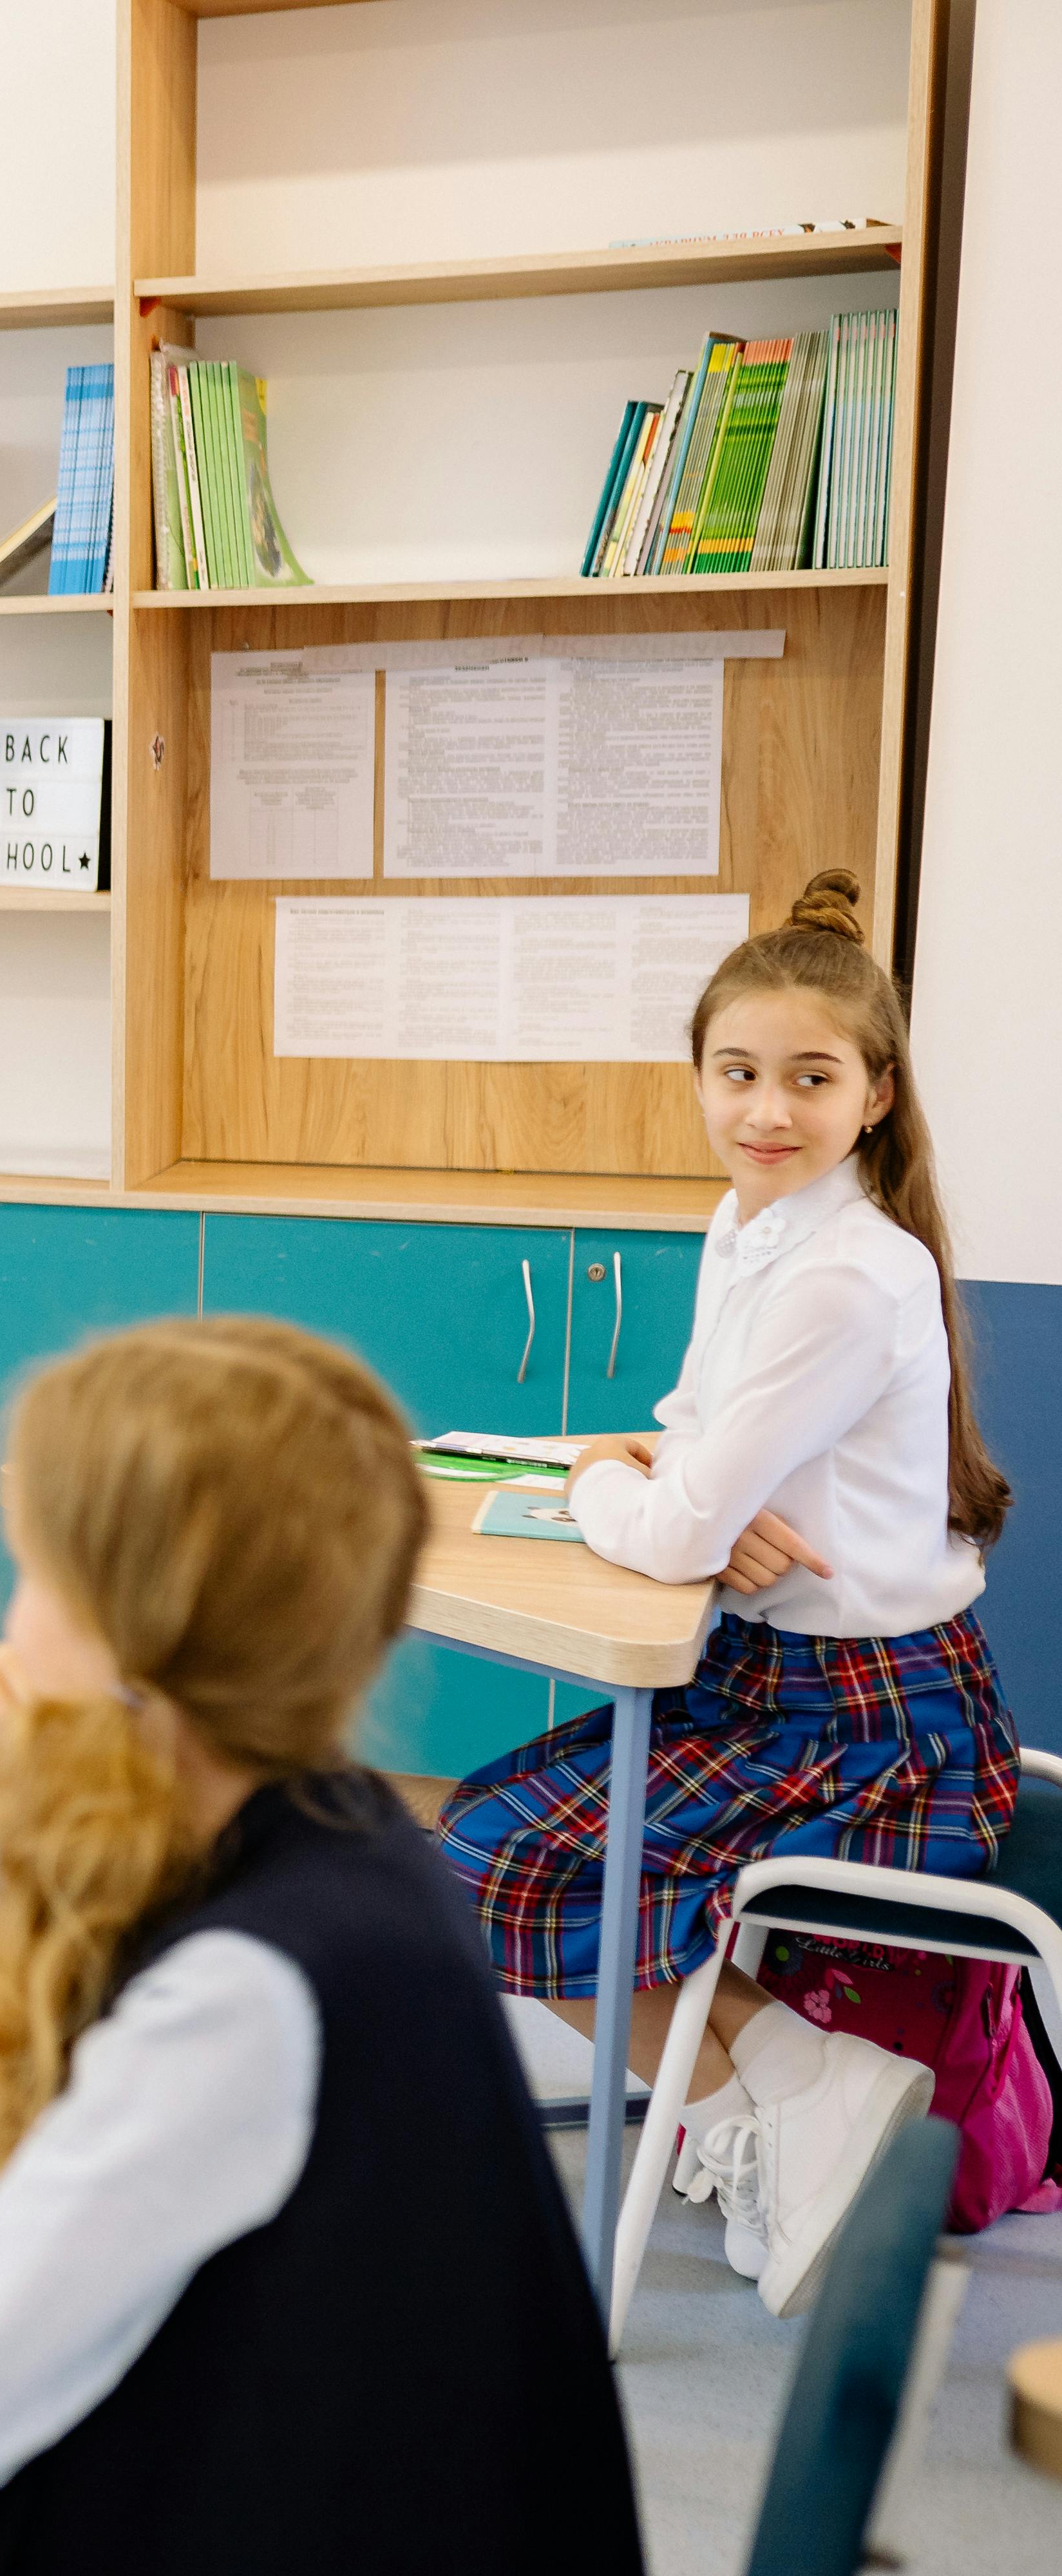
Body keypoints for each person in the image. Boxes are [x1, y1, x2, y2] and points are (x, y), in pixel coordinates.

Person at [0, 1318, 641, 2575]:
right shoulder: (324, 1824)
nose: (6, 1620)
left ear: (138, 1626)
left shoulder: (249, 1990)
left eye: (37, 1574)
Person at [437, 867, 1017, 2316]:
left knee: (491, 1855)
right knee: (483, 1840)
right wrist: (688, 1489)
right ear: (698, 1074)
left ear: (874, 1094)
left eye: (809, 1078)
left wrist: (607, 1483)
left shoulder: (848, 1274)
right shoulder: (748, 1222)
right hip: (768, 1678)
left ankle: (795, 2091)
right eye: (738, 1072)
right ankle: (771, 2102)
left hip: (873, 1721)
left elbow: (681, 1508)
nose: (766, 1109)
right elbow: (697, 1438)